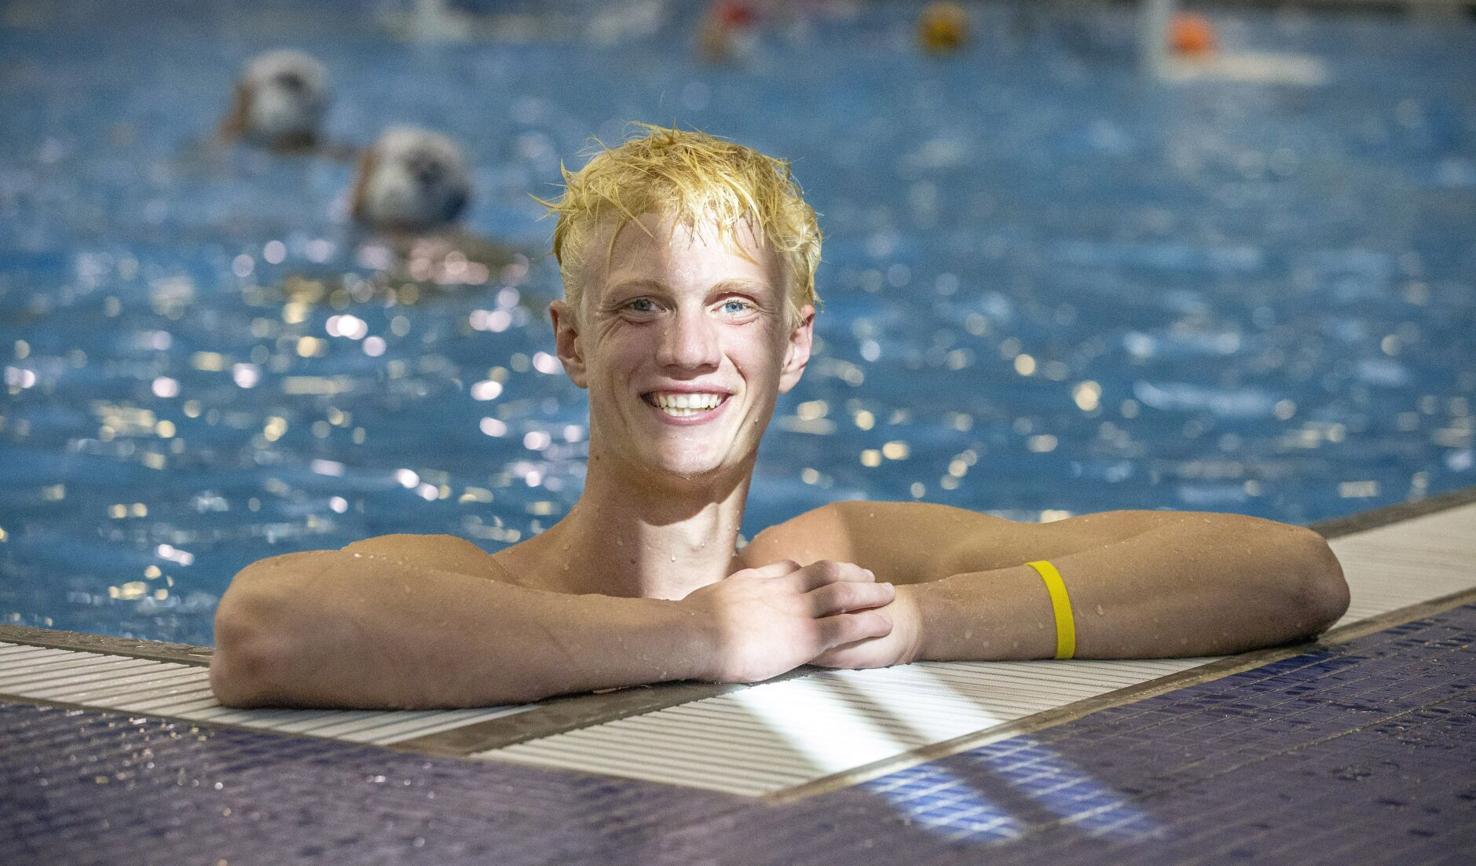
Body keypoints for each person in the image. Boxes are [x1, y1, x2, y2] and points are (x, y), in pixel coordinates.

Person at [209, 125, 1349, 709]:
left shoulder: (838, 562)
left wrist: (919, 621)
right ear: (569, 341)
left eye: (734, 307)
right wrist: (696, 639)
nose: (690, 351)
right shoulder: (489, 590)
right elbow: (267, 628)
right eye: (640, 306)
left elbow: (1287, 572)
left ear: (794, 344)